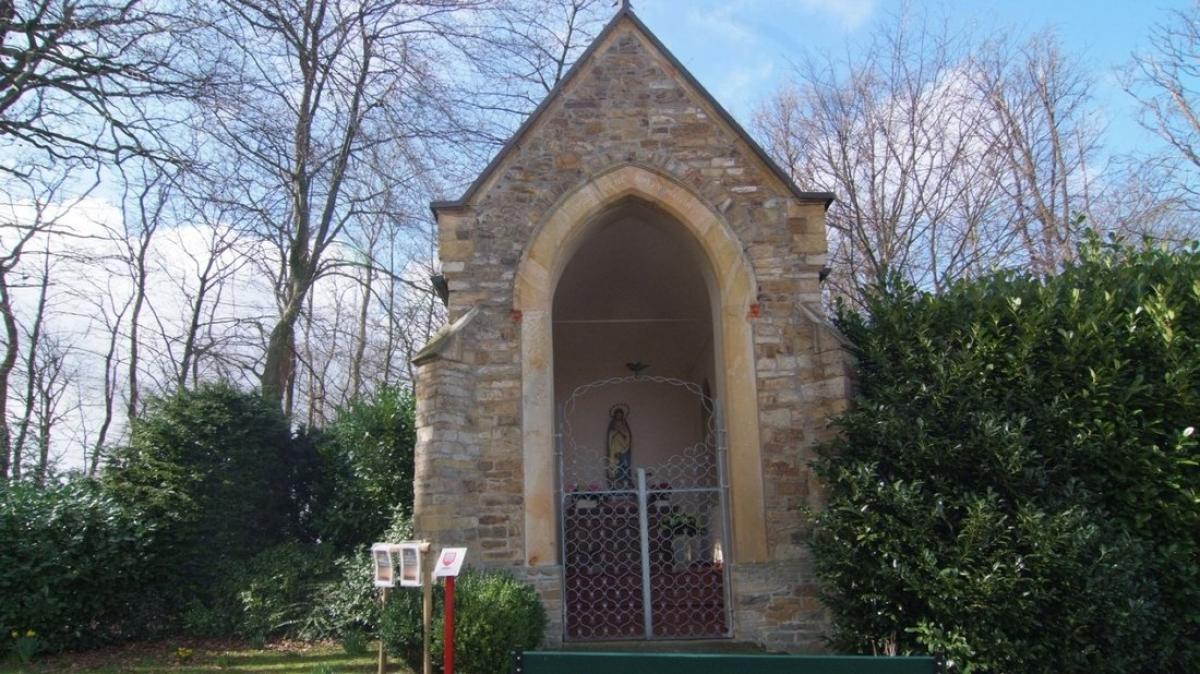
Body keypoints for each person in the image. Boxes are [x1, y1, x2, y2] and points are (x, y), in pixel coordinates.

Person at [606, 405, 632, 489]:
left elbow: (628, 436)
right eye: (617, 415)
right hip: (614, 450)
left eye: (620, 415)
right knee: (614, 466)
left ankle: (624, 483)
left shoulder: (624, 426)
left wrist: (625, 448)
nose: (619, 417)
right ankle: (614, 484)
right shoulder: (612, 429)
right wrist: (615, 432)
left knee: (624, 465)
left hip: (624, 449)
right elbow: (610, 437)